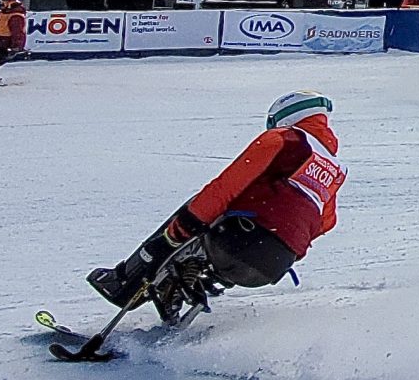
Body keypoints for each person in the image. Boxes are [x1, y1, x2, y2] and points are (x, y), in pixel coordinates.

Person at [87, 92, 345, 315]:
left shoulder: (284, 139)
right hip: (275, 262)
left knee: (191, 214)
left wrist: (184, 225)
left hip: (238, 240)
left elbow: (230, 183)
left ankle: (124, 284)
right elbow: (326, 222)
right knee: (225, 222)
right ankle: (182, 283)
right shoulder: (336, 167)